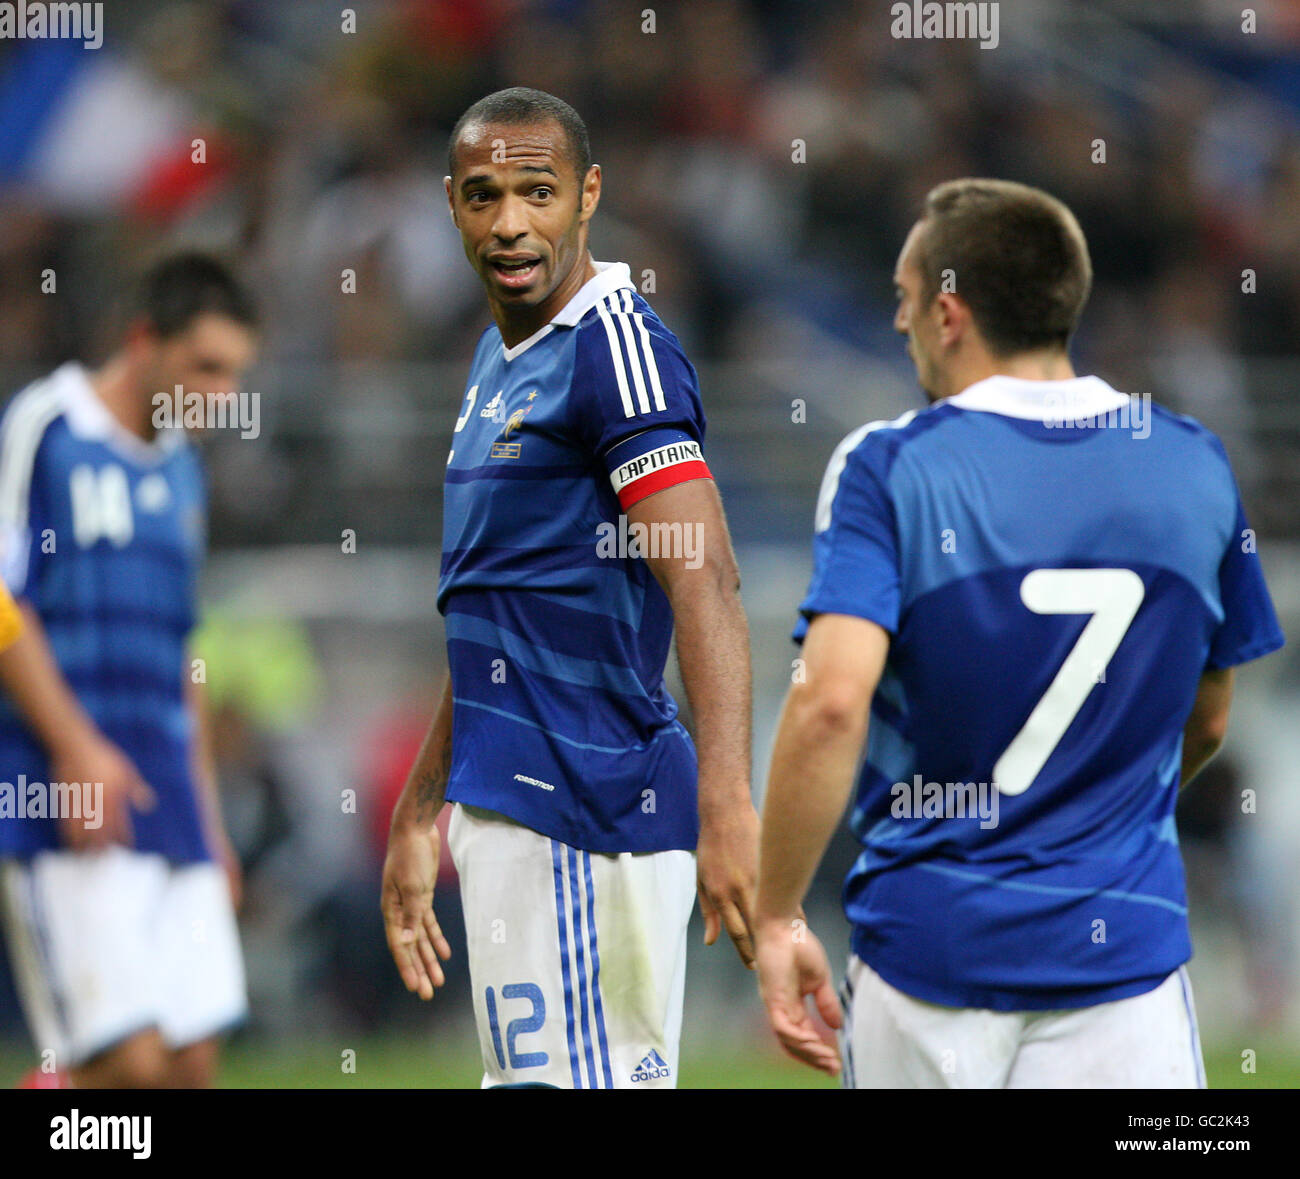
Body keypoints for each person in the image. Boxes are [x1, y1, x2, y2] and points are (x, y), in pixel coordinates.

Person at [753, 178, 1285, 1088]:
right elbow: (1206, 719)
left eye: (904, 297)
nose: (897, 322)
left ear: (949, 312)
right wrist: (1095, 812)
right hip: (1128, 970)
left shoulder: (890, 465)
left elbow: (831, 706)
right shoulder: (1192, 461)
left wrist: (777, 915)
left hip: (927, 960)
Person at [381, 87, 757, 1089]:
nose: (510, 222)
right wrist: (420, 814)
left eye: (537, 192)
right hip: (512, 810)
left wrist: (727, 803)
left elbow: (706, 580)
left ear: (588, 194)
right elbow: (496, 613)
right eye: (483, 194)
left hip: (594, 814)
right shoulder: (496, 361)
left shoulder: (615, 350)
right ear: (451, 204)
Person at [0, 252, 258, 1088]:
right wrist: (76, 749)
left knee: (192, 1061)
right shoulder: (47, 427)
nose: (221, 397)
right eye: (205, 368)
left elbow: (184, 654)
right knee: (129, 1063)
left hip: (167, 792)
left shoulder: (184, 471)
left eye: (234, 376)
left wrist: (210, 820)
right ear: (145, 339)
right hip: (61, 790)